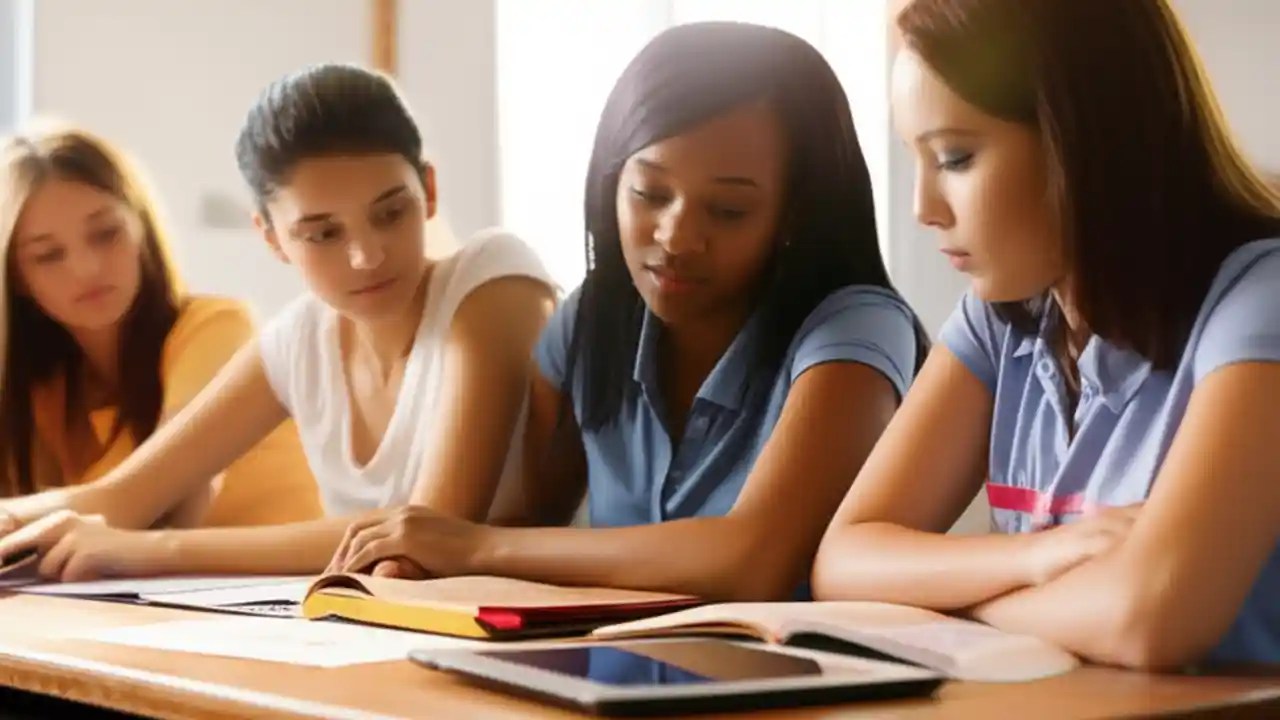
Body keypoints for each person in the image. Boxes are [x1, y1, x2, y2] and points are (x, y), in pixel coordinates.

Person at [327, 22, 928, 602]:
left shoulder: (858, 327)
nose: (676, 237)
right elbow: (528, 522)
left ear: (794, 212)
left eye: (727, 210)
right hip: (616, 661)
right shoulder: (590, 319)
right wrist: (414, 560)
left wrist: (474, 547)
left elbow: (753, 561)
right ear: (612, 180)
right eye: (650, 194)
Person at [811, 0, 1280, 670]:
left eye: (955, 157)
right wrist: (1036, 558)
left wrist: (953, 608)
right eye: (916, 157)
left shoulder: (1260, 297)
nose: (923, 208)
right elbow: (845, 559)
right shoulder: (1001, 319)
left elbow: (1148, 618)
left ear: (1086, 138)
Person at [0, 65, 556, 580]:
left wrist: (151, 550)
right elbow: (121, 497)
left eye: (391, 212)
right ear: (271, 237)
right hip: (379, 628)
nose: (366, 256)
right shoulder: (301, 340)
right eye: (323, 233)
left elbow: (427, 534)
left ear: (428, 191)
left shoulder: (491, 281)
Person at [0, 126, 319, 531]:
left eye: (106, 233)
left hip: (286, 572)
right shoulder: (43, 391)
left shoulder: (217, 327)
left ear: (141, 228)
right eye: (48, 255)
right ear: (17, 279)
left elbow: (153, 506)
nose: (86, 269)